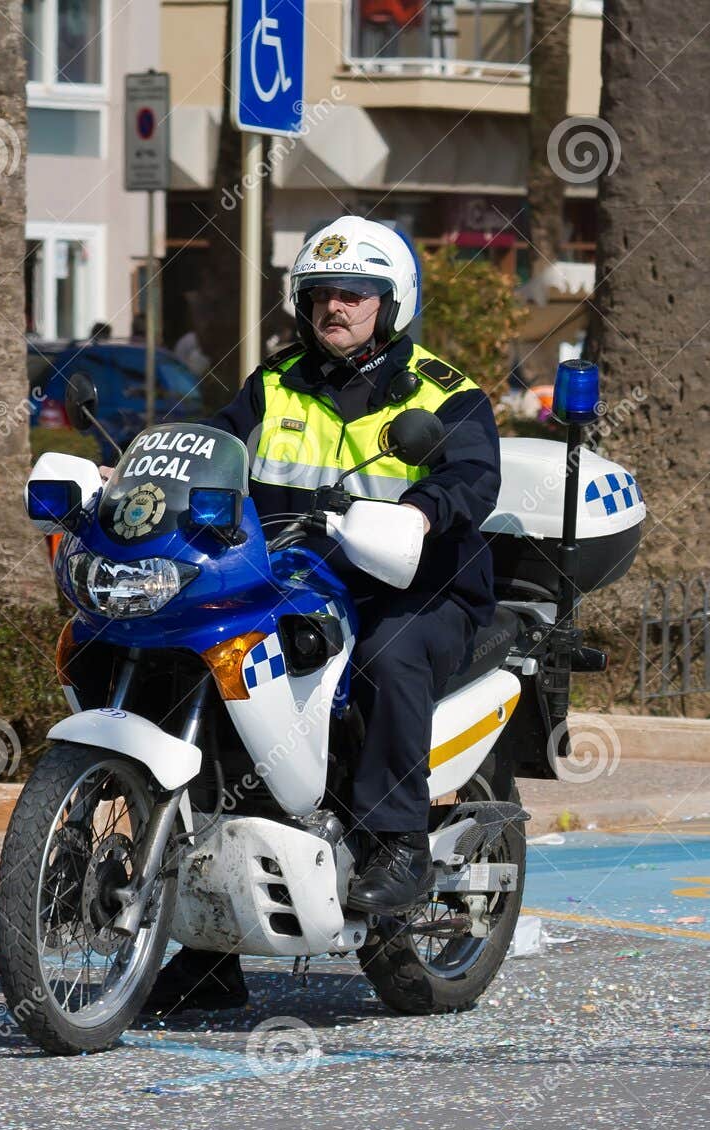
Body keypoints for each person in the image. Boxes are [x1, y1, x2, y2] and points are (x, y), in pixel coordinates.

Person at [143, 215, 502, 1015]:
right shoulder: (272, 386)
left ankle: (398, 844)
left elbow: (475, 476)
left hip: (413, 589)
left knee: (387, 655)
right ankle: (209, 948)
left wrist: (424, 511)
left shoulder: (442, 392)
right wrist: (134, 476)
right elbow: (214, 452)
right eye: (321, 294)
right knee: (223, 685)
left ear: (391, 301)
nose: (335, 307)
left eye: (355, 294)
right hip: (291, 584)